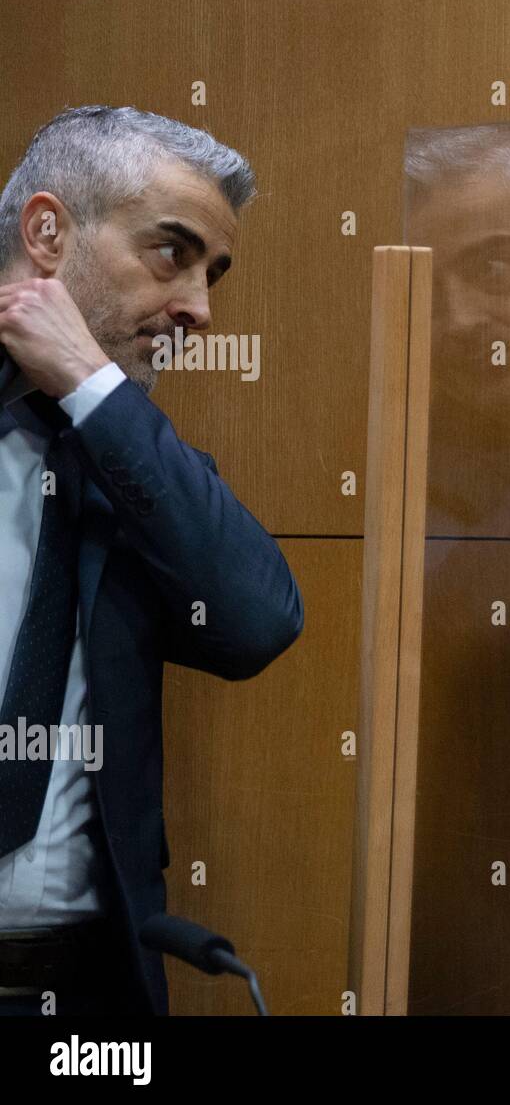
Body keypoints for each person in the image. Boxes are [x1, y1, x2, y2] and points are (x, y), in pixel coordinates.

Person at [0, 105, 303, 1015]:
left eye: (214, 274)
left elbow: (258, 621)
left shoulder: (128, 464)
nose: (201, 310)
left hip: (82, 996)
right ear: (46, 233)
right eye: (172, 253)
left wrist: (92, 387)